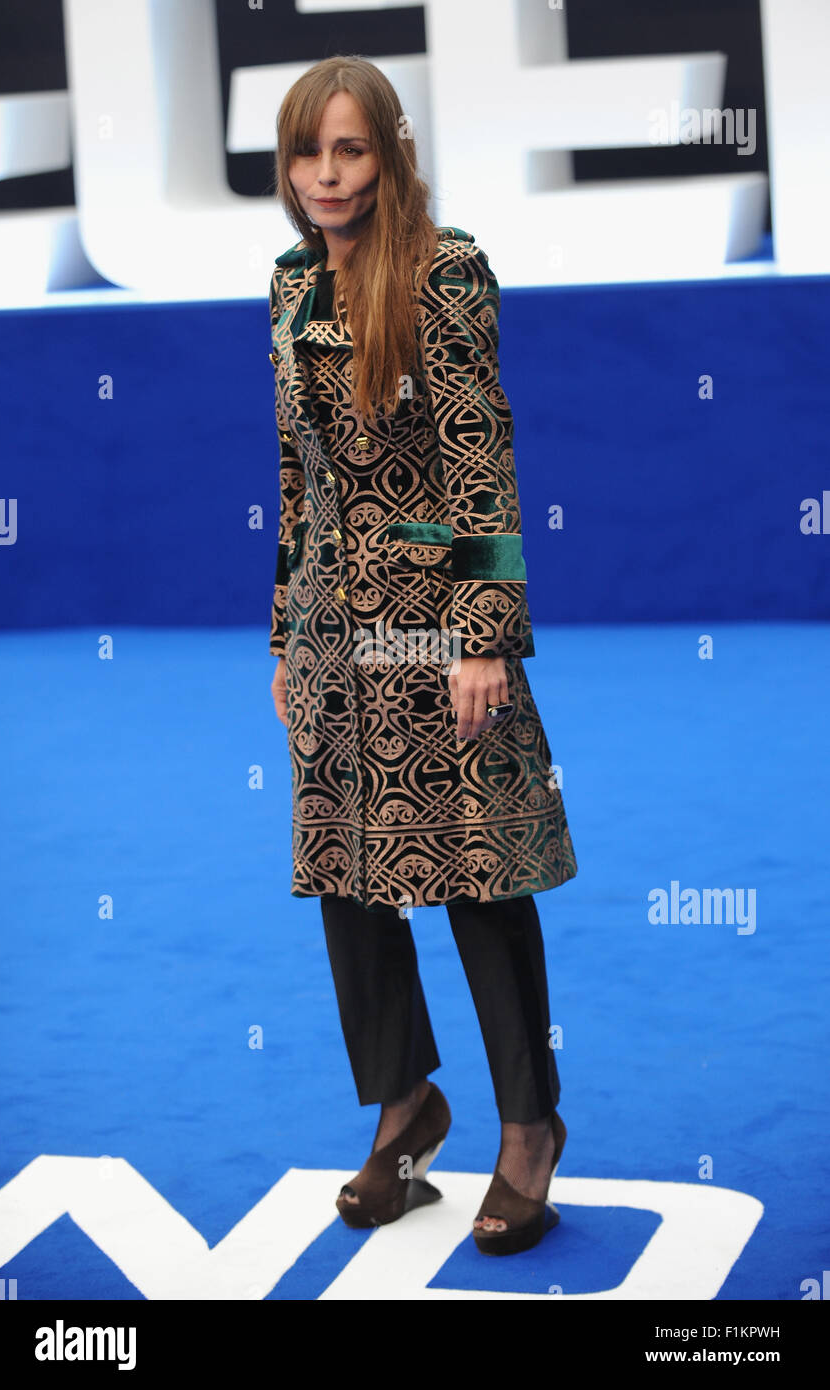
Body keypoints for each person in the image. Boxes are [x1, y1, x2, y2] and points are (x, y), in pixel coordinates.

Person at [267, 55, 578, 1256]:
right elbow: (296, 482)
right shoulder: (291, 285)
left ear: (388, 151)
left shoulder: (444, 273)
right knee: (348, 879)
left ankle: (526, 1126)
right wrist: (288, 634)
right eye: (308, 153)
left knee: (474, 880)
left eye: (349, 151)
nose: (327, 177)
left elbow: (479, 461)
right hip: (336, 642)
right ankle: (406, 1110)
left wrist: (483, 637)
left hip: (436, 634)